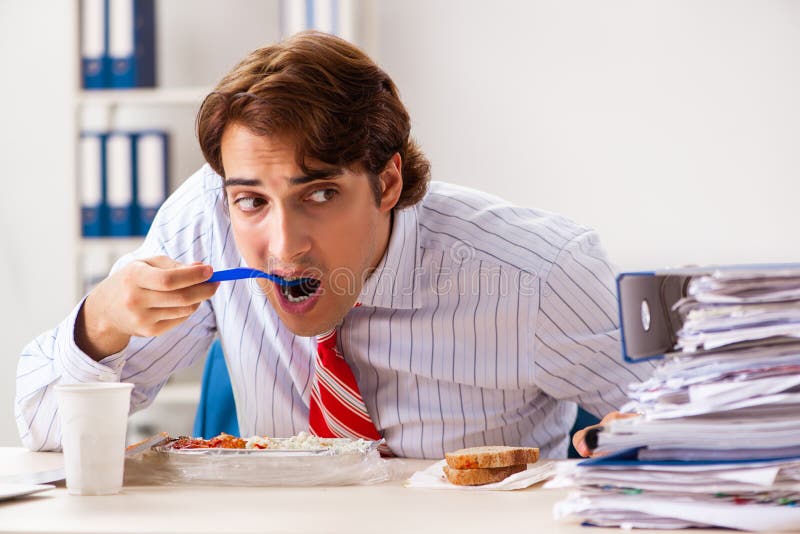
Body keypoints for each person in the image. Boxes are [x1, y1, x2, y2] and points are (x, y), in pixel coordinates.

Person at [15, 31, 655, 458]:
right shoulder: (205, 223)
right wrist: (101, 320)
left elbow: (718, 444)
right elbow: (45, 435)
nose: (283, 245)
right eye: (253, 202)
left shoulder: (540, 276)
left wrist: (648, 444)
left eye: (317, 194)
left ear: (386, 182)